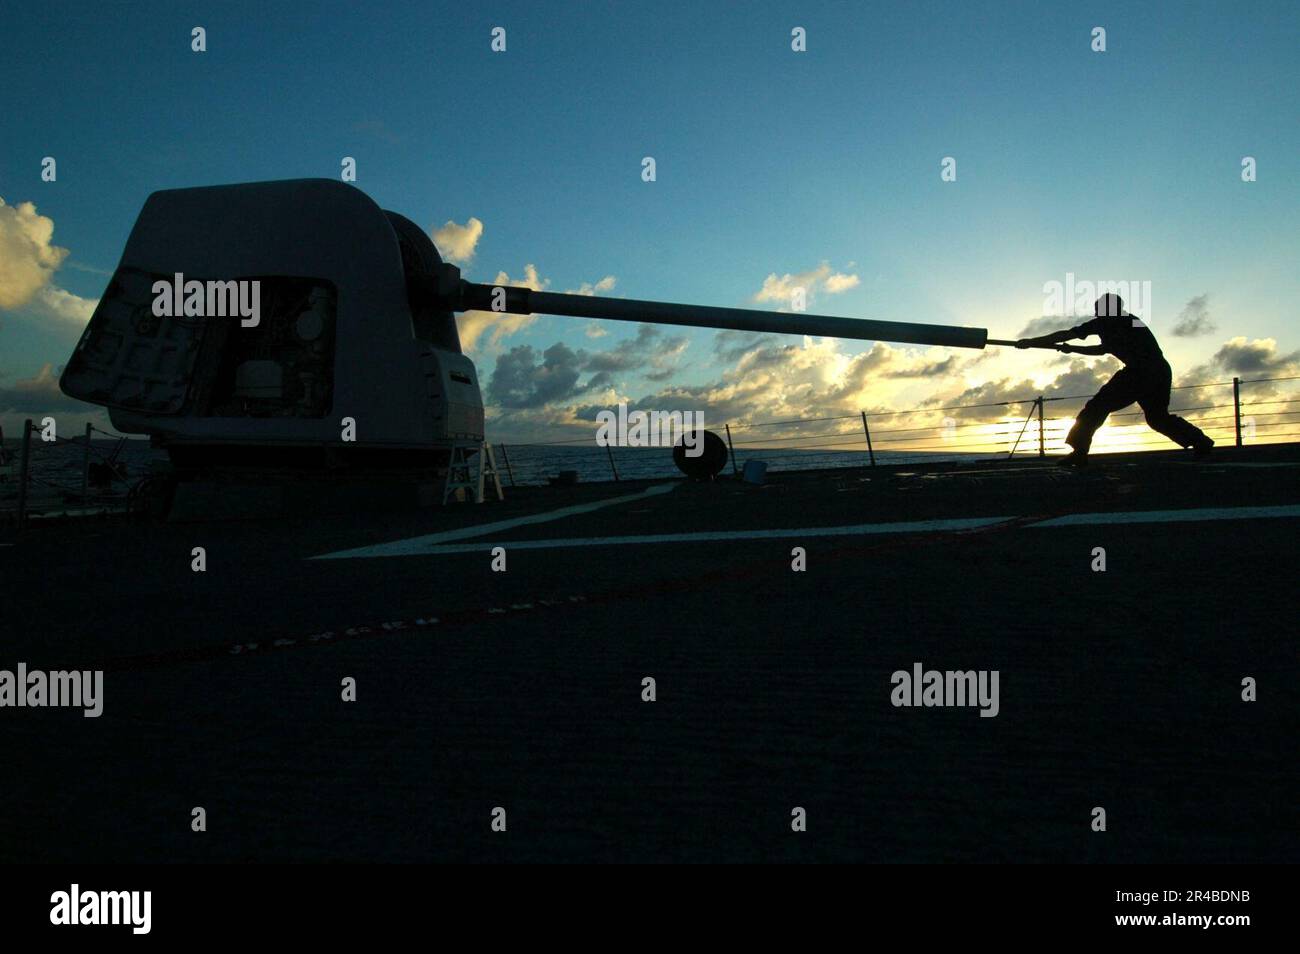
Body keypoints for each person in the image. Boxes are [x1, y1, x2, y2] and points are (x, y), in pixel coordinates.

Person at [1017, 293, 1213, 466]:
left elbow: (1066, 335)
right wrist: (1071, 348)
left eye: (1098, 310)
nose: (1095, 313)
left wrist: (1031, 342)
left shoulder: (1107, 322)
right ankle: (1201, 442)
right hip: (1159, 370)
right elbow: (1103, 349)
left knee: (1095, 408)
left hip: (1139, 372)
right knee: (1157, 418)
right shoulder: (1132, 321)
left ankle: (1079, 452)